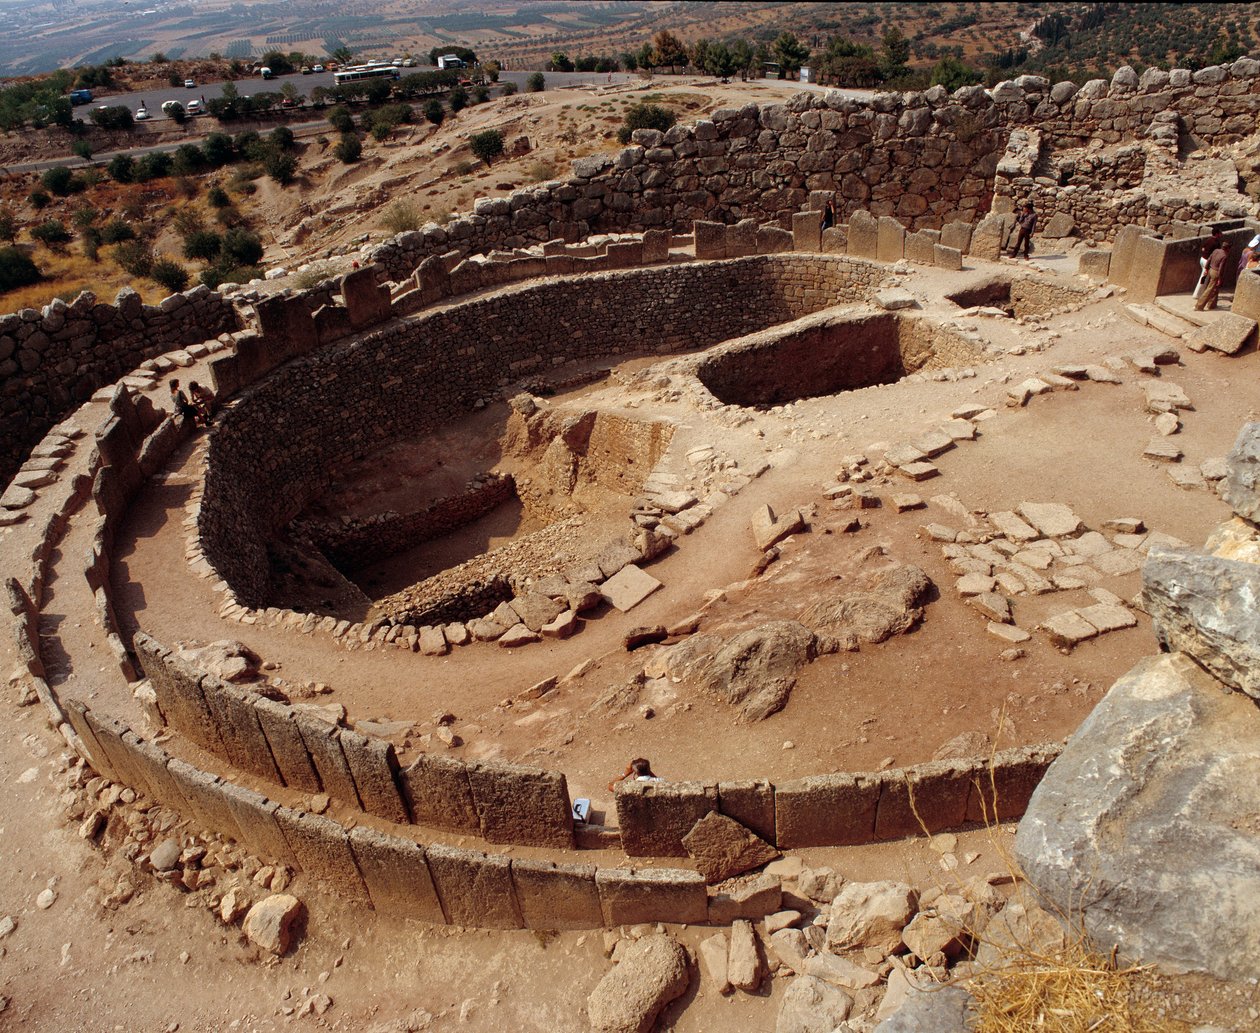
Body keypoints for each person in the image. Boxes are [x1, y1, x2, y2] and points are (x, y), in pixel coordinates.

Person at [1195, 238, 1230, 311]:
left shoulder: (1216, 250)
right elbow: (1221, 268)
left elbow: (1209, 259)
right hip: (1216, 272)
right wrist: (1220, 278)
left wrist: (1206, 269)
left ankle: (1212, 305)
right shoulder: (1224, 256)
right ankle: (1199, 306)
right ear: (1228, 249)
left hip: (1211, 269)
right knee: (1209, 289)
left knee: (1215, 289)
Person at [1194, 228, 1225, 299]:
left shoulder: (1209, 239)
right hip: (1207, 261)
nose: (1221, 234)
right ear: (1217, 234)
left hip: (1202, 259)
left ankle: (1199, 294)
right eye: (1220, 233)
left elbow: (1203, 248)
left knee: (1203, 277)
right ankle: (1198, 295)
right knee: (1204, 279)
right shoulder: (1216, 243)